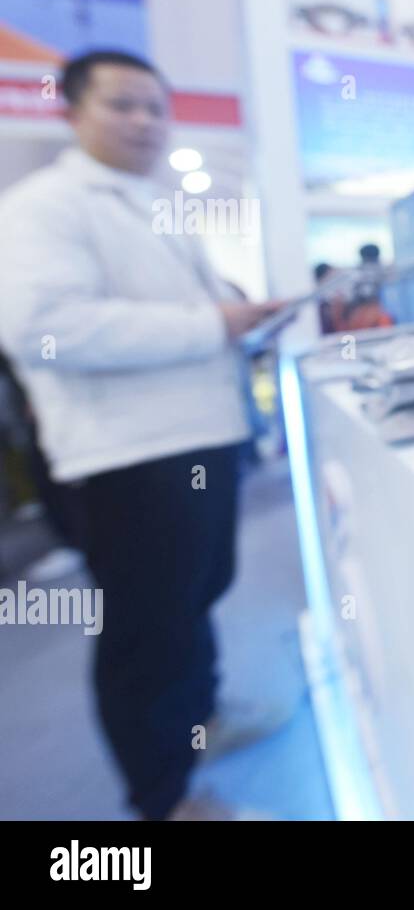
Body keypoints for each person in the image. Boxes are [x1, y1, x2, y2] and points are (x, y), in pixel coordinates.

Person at [0, 50, 287, 821]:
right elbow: (40, 327)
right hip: (126, 457)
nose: (143, 122)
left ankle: (203, 724)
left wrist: (236, 316)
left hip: (200, 439)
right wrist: (208, 324)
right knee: (147, 634)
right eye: (122, 105)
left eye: (155, 107)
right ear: (71, 112)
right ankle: (164, 801)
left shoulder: (155, 202)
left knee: (195, 600)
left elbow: (186, 315)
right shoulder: (43, 206)